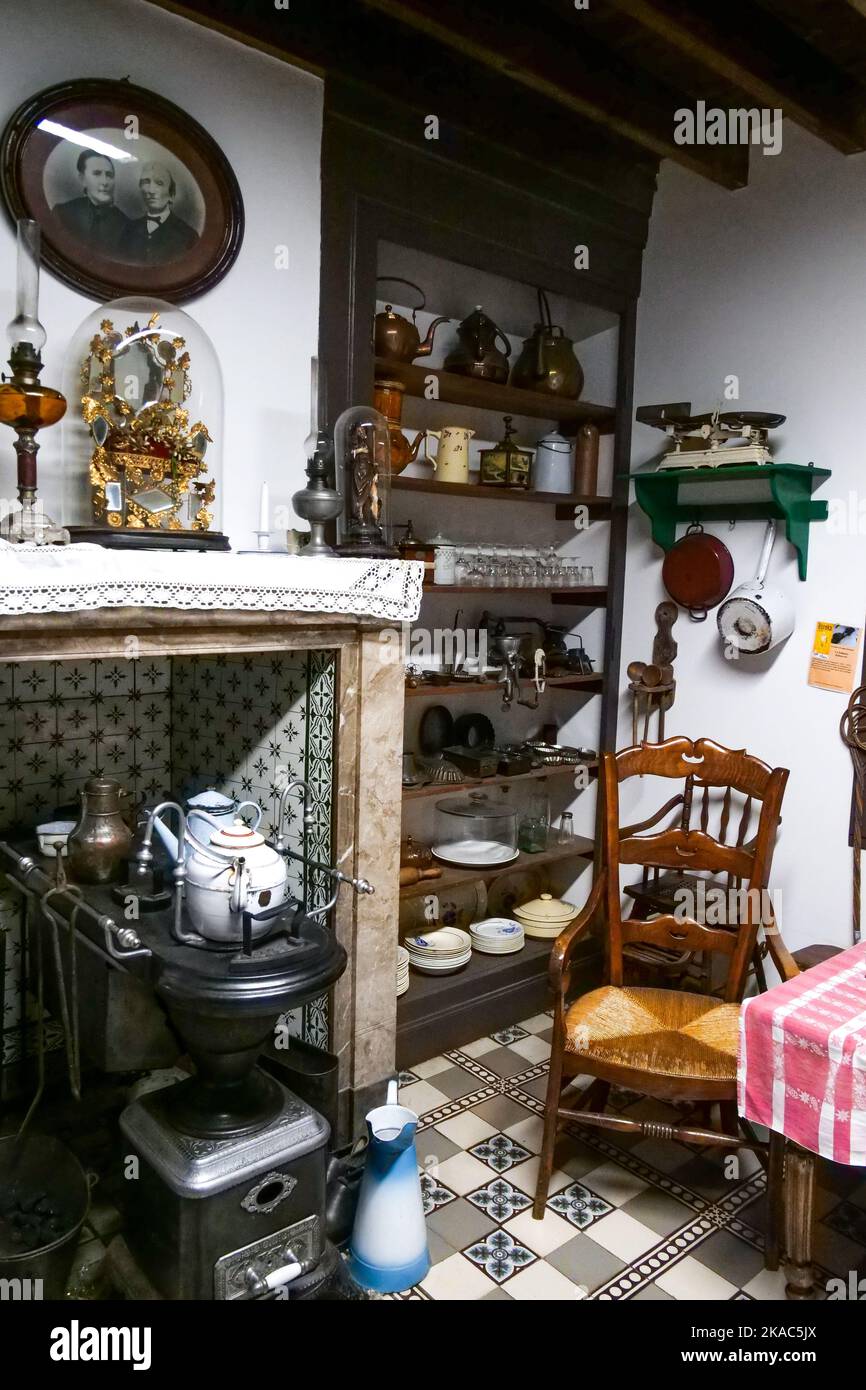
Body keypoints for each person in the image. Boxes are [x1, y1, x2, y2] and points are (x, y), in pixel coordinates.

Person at [119, 160, 198, 265]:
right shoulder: (129, 230)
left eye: (159, 183)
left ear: (171, 195)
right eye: (146, 182)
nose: (151, 190)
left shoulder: (188, 235)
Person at [52, 150, 128, 255]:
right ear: (82, 179)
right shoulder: (62, 213)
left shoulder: (125, 224)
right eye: (97, 174)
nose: (105, 182)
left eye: (109, 175)